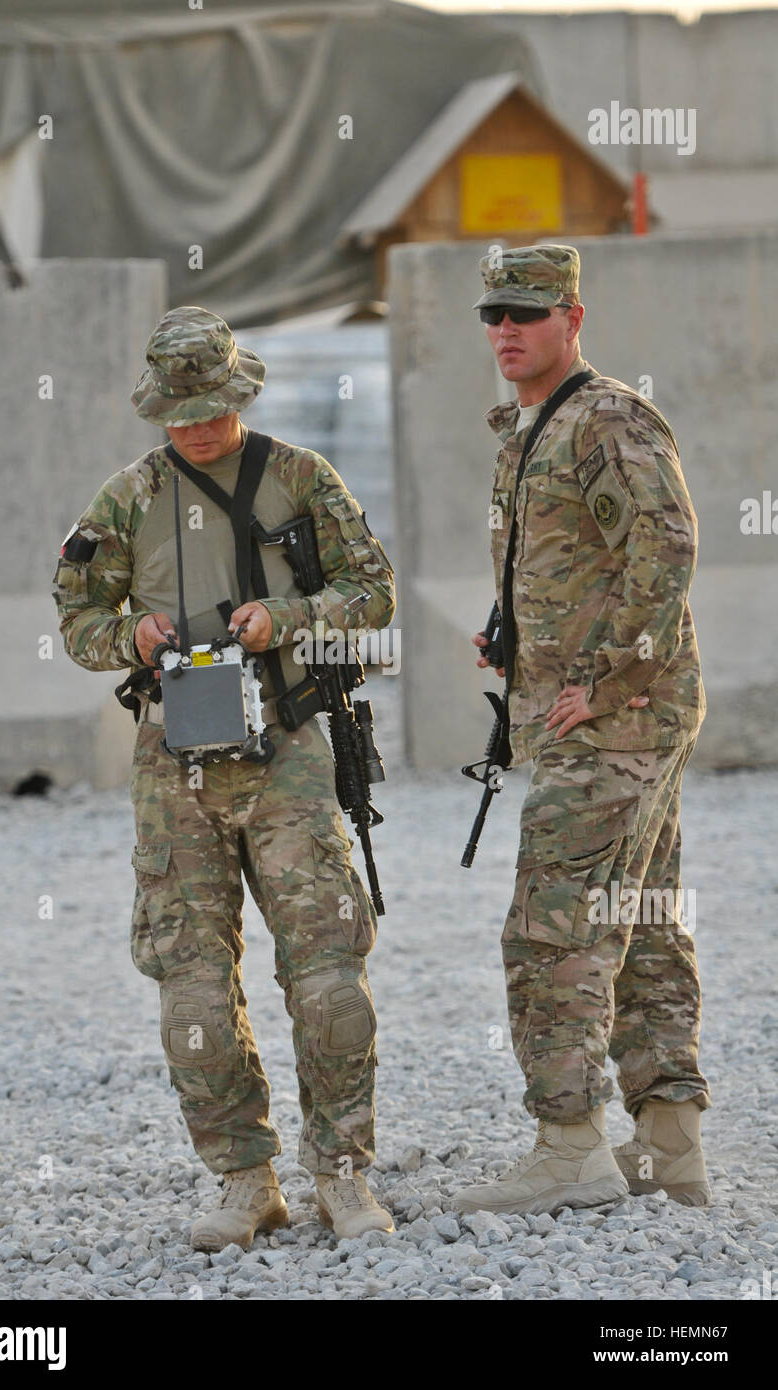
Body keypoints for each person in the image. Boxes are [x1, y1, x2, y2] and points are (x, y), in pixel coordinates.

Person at [52, 306, 396, 1248]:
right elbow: (77, 615)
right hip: (176, 767)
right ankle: (245, 1178)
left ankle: (344, 1171)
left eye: (212, 406)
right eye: (180, 410)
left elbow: (374, 591)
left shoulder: (297, 477)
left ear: (239, 395)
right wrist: (133, 635)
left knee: (329, 979)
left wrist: (283, 620)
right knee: (193, 989)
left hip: (286, 750)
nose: (198, 425)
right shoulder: (127, 497)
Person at [454, 245, 710, 1218]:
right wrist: (515, 639)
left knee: (550, 926)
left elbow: (667, 548)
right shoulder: (532, 429)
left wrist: (602, 679)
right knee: (639, 924)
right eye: (492, 314)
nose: (504, 331)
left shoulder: (604, 417)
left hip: (620, 723)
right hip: (622, 715)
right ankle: (666, 1147)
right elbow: (576, 563)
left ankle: (567, 1147)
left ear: (572, 315)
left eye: (525, 313)